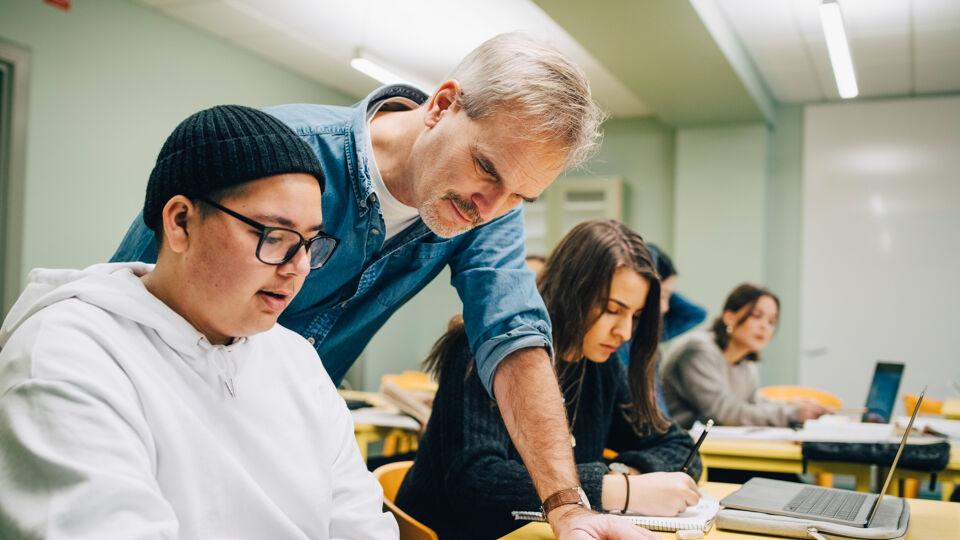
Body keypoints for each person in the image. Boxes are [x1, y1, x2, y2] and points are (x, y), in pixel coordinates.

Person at [111, 34, 642, 538]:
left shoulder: (487, 212)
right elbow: (138, 292)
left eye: (519, 197)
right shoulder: (283, 152)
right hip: (164, 419)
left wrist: (567, 505)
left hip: (288, 429)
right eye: (486, 168)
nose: (491, 207)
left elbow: (515, 335)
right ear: (442, 106)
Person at [0, 106, 398, 538]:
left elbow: (360, 525)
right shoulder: (70, 354)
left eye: (309, 243)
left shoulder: (296, 360)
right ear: (181, 222)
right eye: (274, 236)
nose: (299, 267)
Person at [395, 220, 701, 540]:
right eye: (613, 310)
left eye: (634, 316)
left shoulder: (598, 363)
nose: (624, 333)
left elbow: (678, 447)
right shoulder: (480, 350)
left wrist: (625, 475)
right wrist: (621, 489)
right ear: (573, 292)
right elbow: (476, 484)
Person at [661, 283, 828, 429]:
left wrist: (790, 405)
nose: (765, 327)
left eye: (771, 321)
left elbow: (751, 403)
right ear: (729, 317)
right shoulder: (698, 350)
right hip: (675, 445)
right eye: (756, 316)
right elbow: (723, 412)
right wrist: (793, 413)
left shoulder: (746, 365)